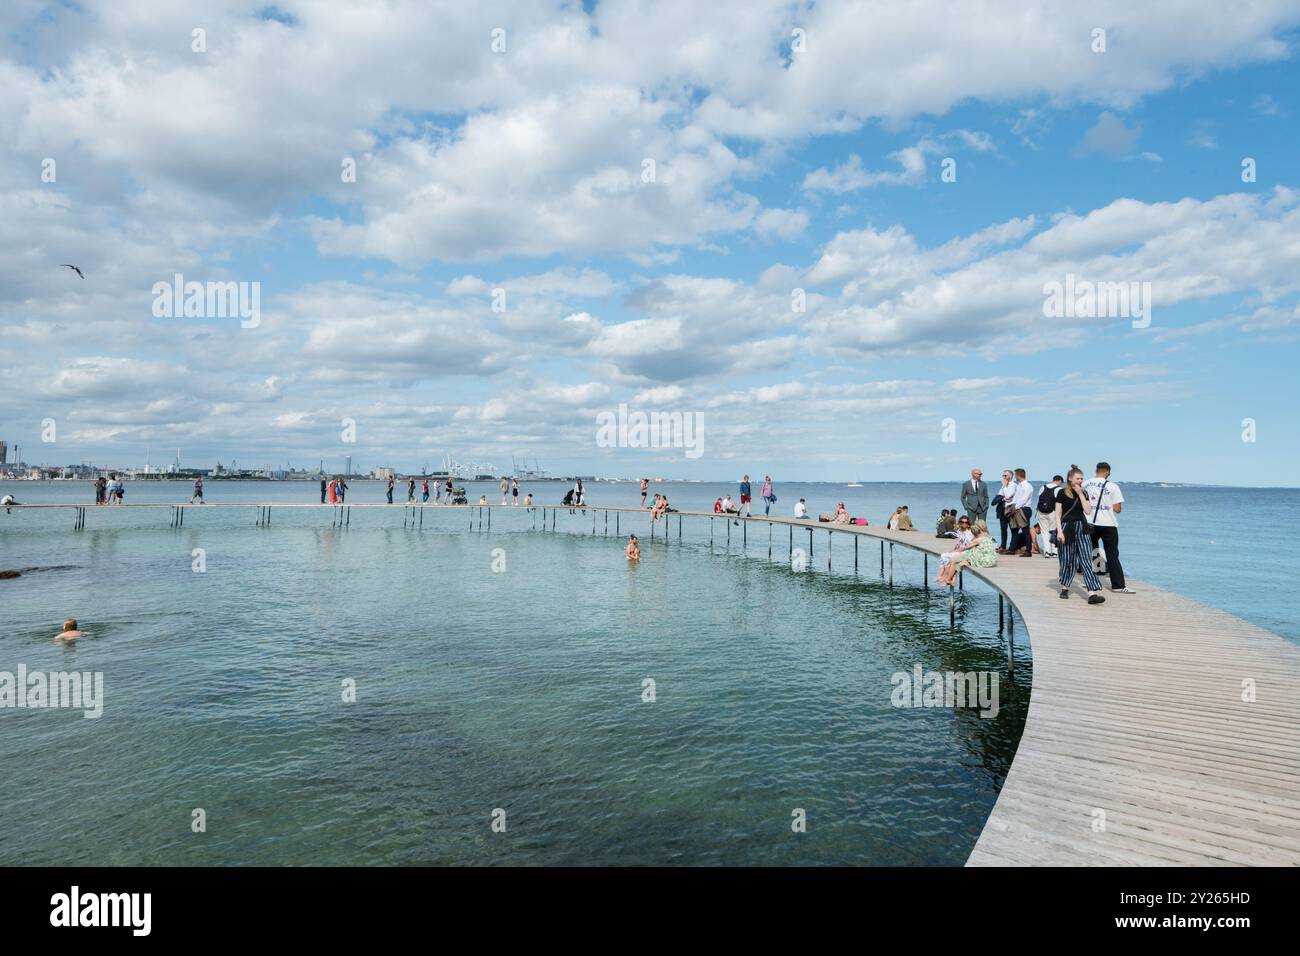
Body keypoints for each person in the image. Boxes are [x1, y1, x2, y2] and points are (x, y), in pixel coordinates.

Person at [1055, 466, 1106, 604]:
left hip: (1081, 527)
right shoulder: (1061, 493)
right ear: (1070, 479)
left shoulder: (1084, 493)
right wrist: (1059, 531)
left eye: (1082, 479)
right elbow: (1058, 515)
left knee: (1086, 558)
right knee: (1067, 559)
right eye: (1078, 478)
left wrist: (1081, 495)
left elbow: (1088, 511)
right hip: (1066, 528)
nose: (1080, 481)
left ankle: (1092, 593)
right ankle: (1065, 587)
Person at [1084, 461, 1134, 593]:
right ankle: (1118, 586)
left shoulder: (1086, 483)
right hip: (1108, 524)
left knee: (1093, 551)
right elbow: (1117, 509)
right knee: (1112, 554)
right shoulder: (1112, 486)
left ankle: (1093, 580)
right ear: (1108, 472)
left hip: (1090, 522)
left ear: (1096, 470)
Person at [936, 519, 996, 585]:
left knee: (953, 560)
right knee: (960, 563)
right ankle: (951, 580)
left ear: (978, 527)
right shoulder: (987, 536)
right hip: (990, 559)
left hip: (981, 558)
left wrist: (953, 551)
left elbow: (966, 547)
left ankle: (948, 579)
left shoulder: (979, 538)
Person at [1036, 474, 1063, 558]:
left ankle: (1047, 552)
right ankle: (1054, 552)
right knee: (1054, 532)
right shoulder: (1059, 489)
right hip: (1053, 512)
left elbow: (1039, 498)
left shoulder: (1043, 487)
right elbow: (1061, 503)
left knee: (1044, 532)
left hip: (1041, 512)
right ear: (1059, 481)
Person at [992, 469, 1012, 552]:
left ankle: (1012, 547)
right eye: (1003, 475)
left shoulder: (1013, 485)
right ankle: (1003, 546)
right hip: (1002, 510)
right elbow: (996, 499)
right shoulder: (1002, 487)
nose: (1004, 477)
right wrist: (1003, 498)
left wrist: (1004, 487)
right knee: (1003, 530)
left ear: (1010, 476)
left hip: (1010, 511)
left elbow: (1008, 496)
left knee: (1013, 530)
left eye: (1005, 475)